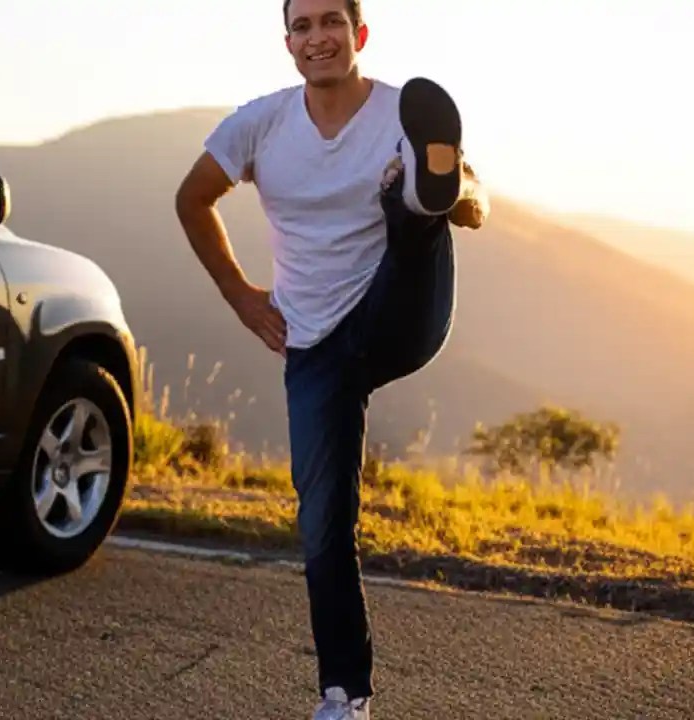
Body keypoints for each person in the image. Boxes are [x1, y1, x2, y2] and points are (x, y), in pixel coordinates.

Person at [173, 0, 490, 717]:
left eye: (331, 23)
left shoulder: (402, 112)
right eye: (303, 25)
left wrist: (452, 195)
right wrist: (241, 295)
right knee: (322, 521)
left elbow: (478, 200)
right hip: (313, 342)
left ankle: (412, 193)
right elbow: (192, 199)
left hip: (398, 312)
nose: (317, 38)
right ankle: (345, 695)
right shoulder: (260, 124)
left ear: (360, 35)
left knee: (415, 211)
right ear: (287, 43)